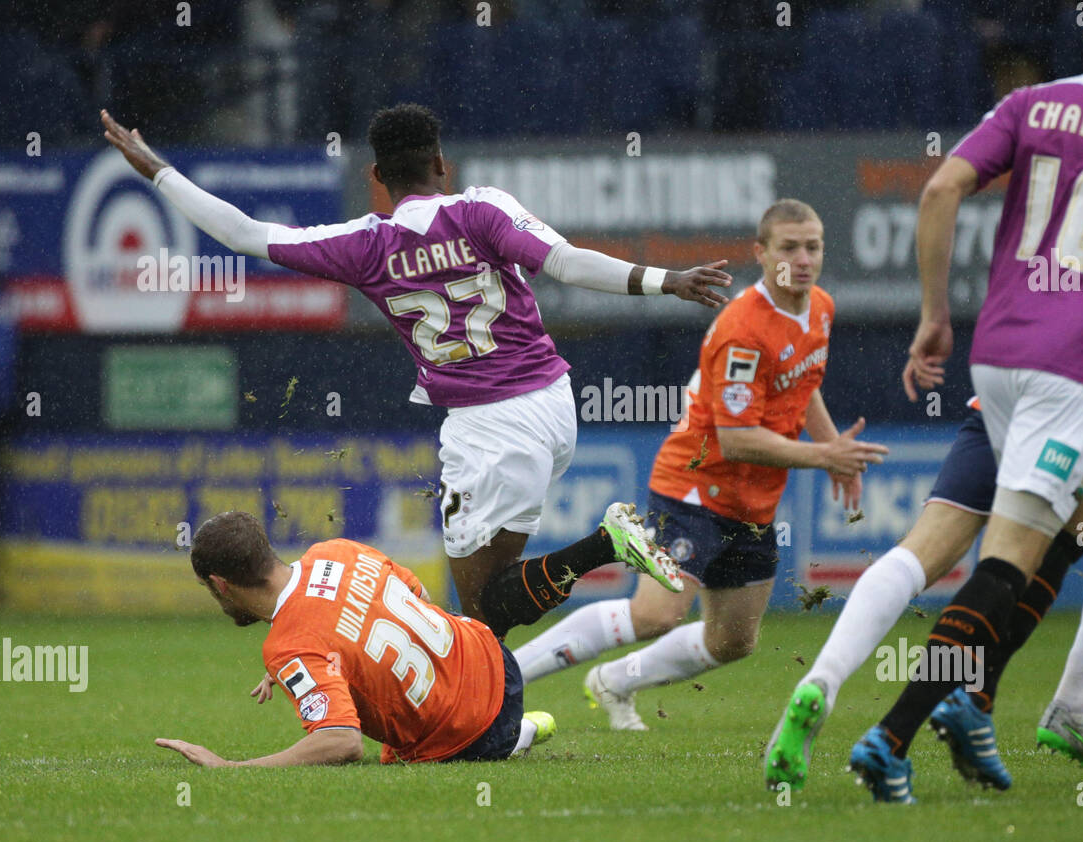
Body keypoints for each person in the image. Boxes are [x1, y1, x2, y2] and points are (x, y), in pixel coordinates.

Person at [766, 35, 1083, 793]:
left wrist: (936, 315)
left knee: (947, 545)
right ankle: (1004, 707)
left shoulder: (1052, 126)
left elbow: (947, 189)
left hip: (1011, 364)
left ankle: (834, 679)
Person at [101, 104, 729, 638]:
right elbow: (564, 262)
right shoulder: (483, 211)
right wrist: (665, 280)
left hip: (490, 428)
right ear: (441, 164)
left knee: (481, 612)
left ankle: (604, 546)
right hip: (553, 403)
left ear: (376, 176)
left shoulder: (367, 245)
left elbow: (244, 234)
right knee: (489, 606)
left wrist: (160, 172)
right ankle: (504, 717)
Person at [510, 199, 889, 729]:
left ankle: (616, 681)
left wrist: (833, 453)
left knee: (733, 641)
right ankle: (503, 676)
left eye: (813, 246)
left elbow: (803, 384)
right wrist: (825, 454)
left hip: (751, 502)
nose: (802, 260)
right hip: (693, 486)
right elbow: (737, 440)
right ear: (761, 253)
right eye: (788, 248)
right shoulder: (744, 329)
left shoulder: (820, 307)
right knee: (656, 613)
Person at [156, 510, 554, 767]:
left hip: (476, 731)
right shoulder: (334, 551)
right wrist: (335, 649)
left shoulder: (290, 646)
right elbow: (420, 596)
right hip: (493, 656)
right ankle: (516, 726)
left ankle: (520, 734)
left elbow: (342, 742)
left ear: (221, 585)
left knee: (405, 757)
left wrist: (230, 767)